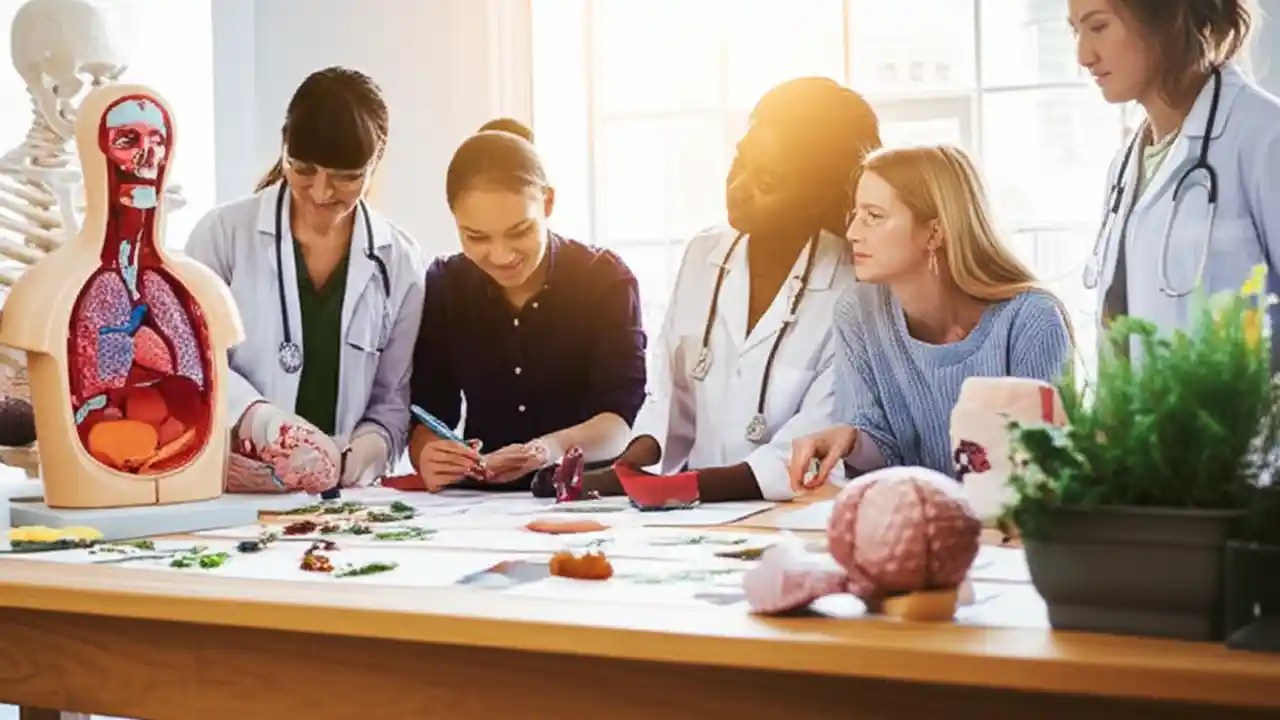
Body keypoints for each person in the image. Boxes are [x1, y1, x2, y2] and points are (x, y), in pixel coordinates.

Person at [578, 77, 881, 502]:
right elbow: (670, 386)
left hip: (792, 512)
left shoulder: (854, 285)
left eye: (767, 181)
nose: (738, 187)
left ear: (816, 197)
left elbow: (818, 433)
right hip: (697, 511)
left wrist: (682, 487)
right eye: (740, 163)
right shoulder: (704, 253)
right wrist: (626, 467)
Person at [186, 66, 426, 492]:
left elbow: (392, 398)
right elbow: (193, 364)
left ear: (377, 159)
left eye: (346, 176)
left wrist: (366, 453)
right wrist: (260, 420)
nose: (321, 191)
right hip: (236, 483)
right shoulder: (223, 235)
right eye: (304, 169)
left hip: (340, 498)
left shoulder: (400, 261)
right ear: (284, 147)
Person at [787, 145, 1074, 490]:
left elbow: (1048, 469)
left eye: (874, 216)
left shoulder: (1031, 320)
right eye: (856, 214)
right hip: (913, 529)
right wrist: (851, 439)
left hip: (1010, 533)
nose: (852, 232)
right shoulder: (858, 313)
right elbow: (883, 449)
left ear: (935, 232)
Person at [407, 130, 646, 491]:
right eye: (476, 237)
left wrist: (546, 450)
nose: (501, 255)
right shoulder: (446, 284)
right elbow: (426, 412)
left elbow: (617, 423)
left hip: (583, 493)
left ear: (547, 203)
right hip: (476, 503)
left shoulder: (604, 279)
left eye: (519, 231)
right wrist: (429, 454)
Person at [1070, 0, 1280, 367]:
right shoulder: (1124, 167)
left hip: (1241, 422)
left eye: (1098, 27)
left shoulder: (1264, 136)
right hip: (1142, 423)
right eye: (1076, 32)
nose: (1083, 55)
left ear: (1165, 18)